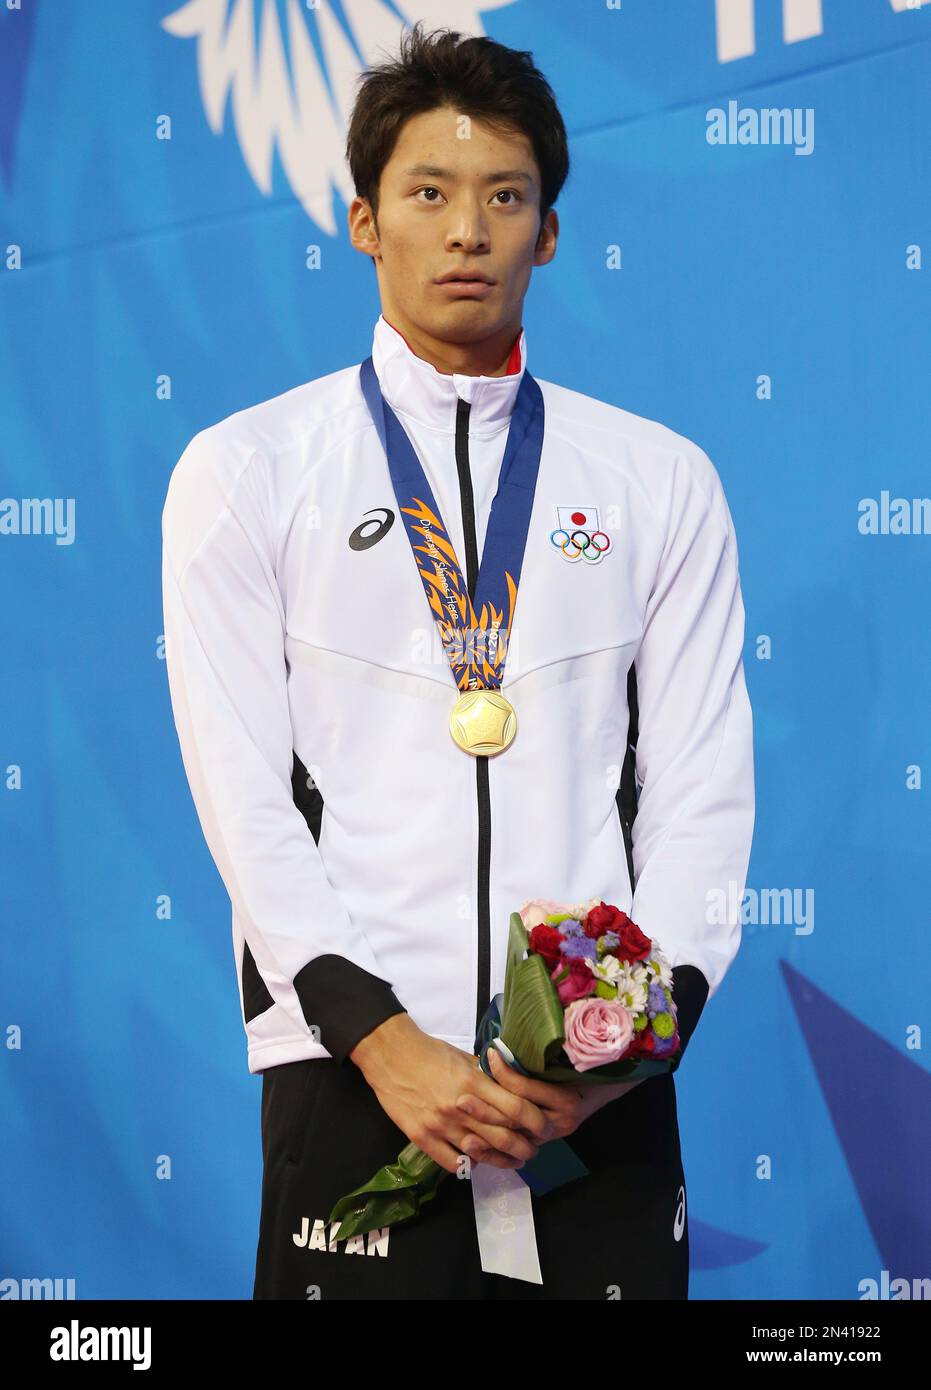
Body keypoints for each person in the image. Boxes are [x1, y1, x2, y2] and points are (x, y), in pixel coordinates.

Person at [161, 22, 755, 1301]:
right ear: (364, 220)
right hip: (355, 1077)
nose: (466, 230)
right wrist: (378, 1041)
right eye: (428, 194)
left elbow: (703, 793)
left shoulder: (658, 479)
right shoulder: (247, 471)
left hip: (597, 1097)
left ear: (548, 230)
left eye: (504, 197)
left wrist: (624, 1050)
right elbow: (245, 797)